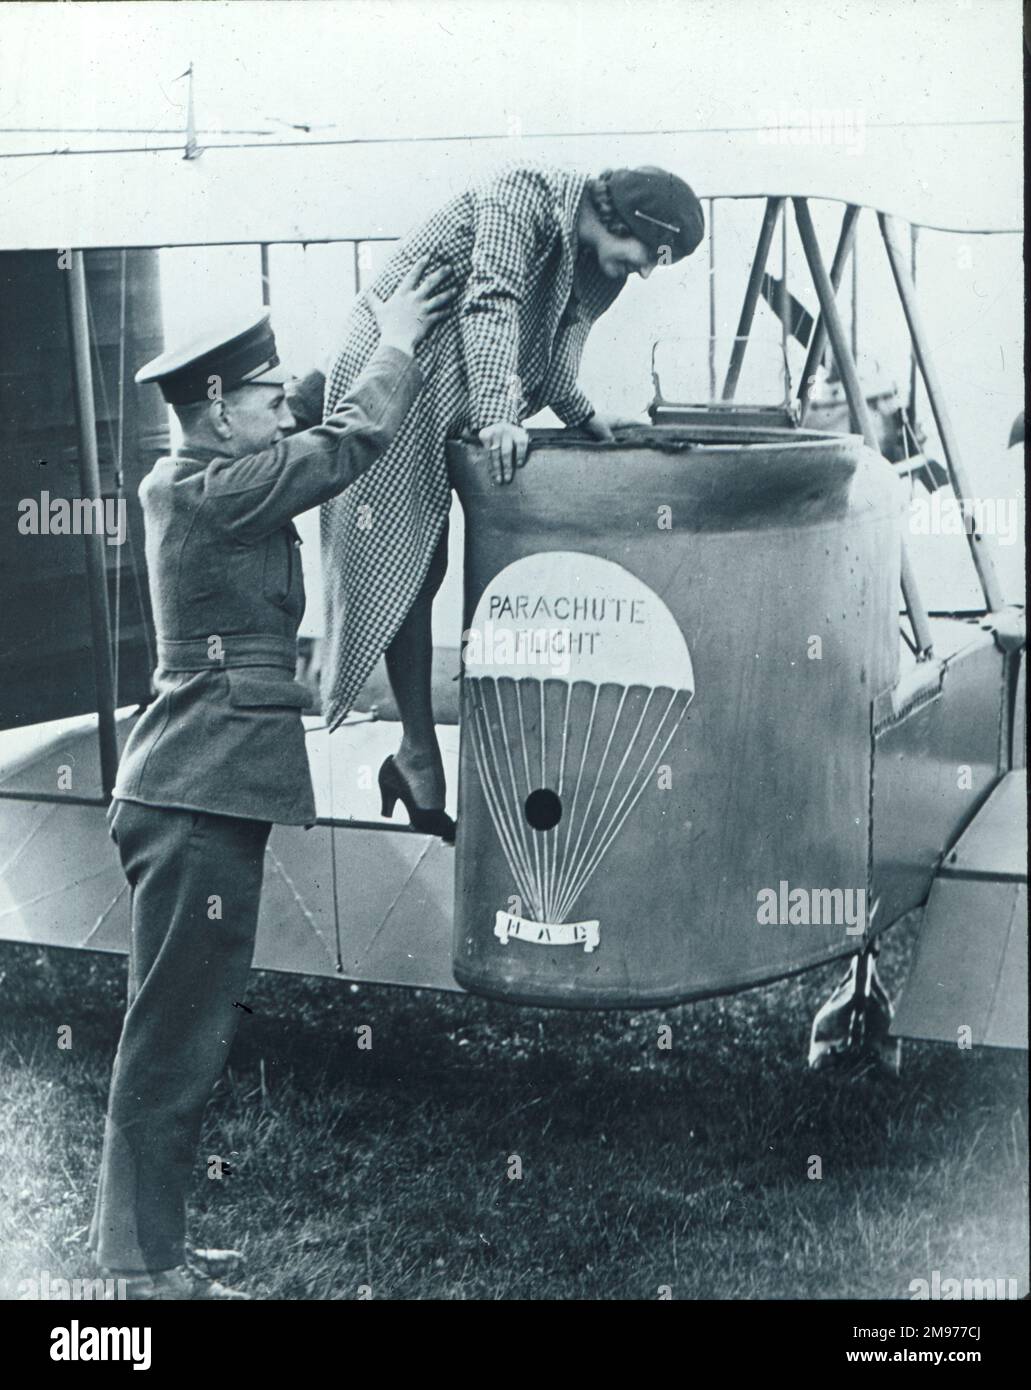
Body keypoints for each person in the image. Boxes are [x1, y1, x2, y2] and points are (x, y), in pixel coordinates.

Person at [88, 261, 454, 1300]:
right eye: (259, 391)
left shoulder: (204, 475)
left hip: (197, 789)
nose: (278, 401)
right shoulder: (219, 491)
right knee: (173, 1039)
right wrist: (394, 341)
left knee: (173, 1031)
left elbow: (303, 418)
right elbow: (346, 444)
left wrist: (367, 336)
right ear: (212, 403)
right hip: (198, 793)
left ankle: (149, 1248)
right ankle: (142, 1272)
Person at [320, 164, 704, 838]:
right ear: (624, 223)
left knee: (425, 565)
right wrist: (502, 415)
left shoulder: (596, 266)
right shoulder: (518, 198)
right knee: (405, 563)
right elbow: (491, 302)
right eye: (650, 256)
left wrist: (584, 414)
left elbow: (557, 349)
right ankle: (416, 752)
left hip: (457, 377)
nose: (643, 273)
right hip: (395, 364)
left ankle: (416, 758)